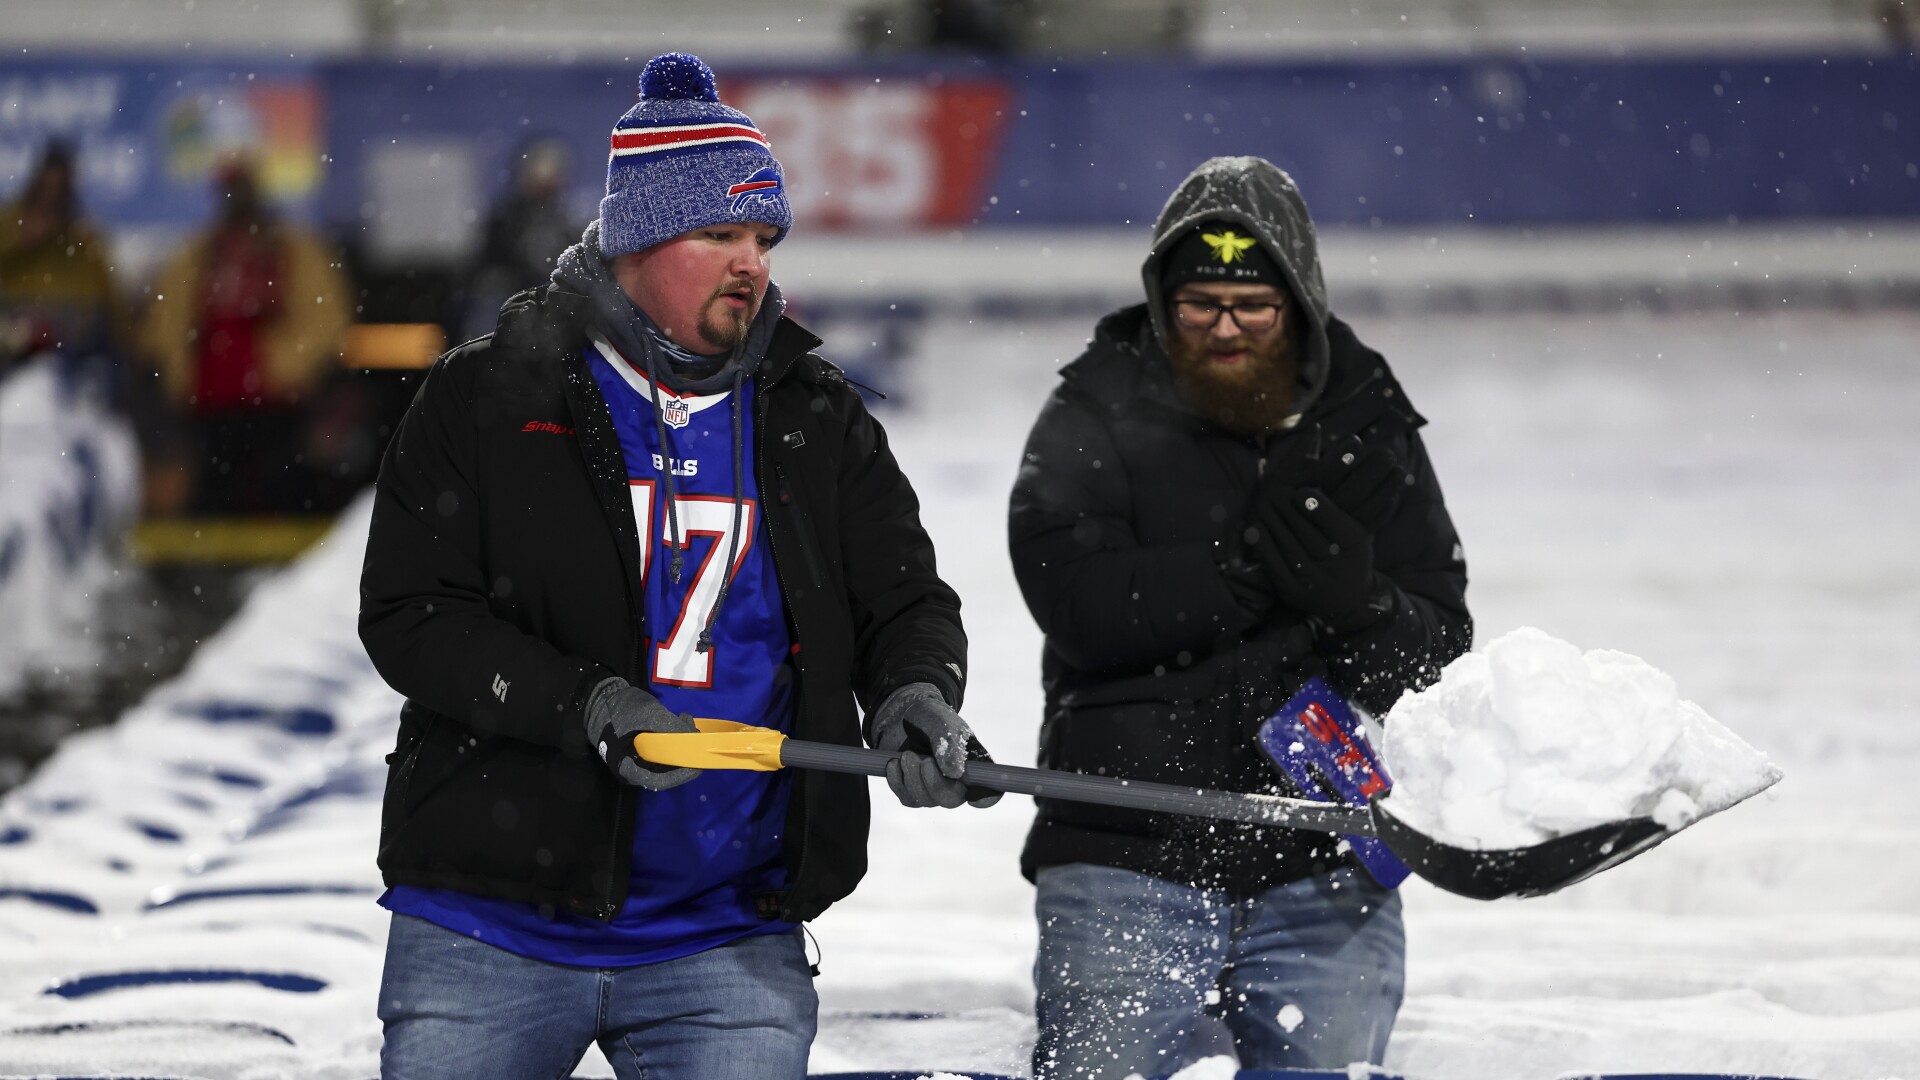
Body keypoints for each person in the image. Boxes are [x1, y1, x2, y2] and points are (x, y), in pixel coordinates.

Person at [358, 52, 997, 1079]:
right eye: (719, 235)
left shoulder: (813, 417)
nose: (753, 264)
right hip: (490, 924)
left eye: (763, 238)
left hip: (727, 934)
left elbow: (903, 599)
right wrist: (584, 703)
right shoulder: (486, 399)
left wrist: (917, 691)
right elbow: (411, 614)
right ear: (639, 241)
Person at [1007, 156, 1471, 1077]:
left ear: (1298, 301)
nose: (1225, 328)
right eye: (1198, 304)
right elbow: (1077, 608)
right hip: (1121, 854)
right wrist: (1252, 569)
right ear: (1160, 299)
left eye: (1251, 306)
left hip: (1326, 860)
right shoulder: (1091, 408)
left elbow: (1438, 662)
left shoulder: (1369, 419)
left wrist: (1361, 606)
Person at [139, 156, 352, 513]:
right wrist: (180, 374)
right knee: (214, 491)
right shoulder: (200, 254)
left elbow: (327, 319)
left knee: (281, 488)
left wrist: (284, 365)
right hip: (210, 400)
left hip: (277, 400)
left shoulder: (292, 250)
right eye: (230, 190)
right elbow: (166, 322)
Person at [0, 140, 119, 362]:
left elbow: (106, 299)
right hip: (13, 338)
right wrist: (20, 238)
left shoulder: (81, 236)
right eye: (47, 188)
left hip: (70, 347)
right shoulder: (10, 223)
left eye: (59, 189)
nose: (52, 197)